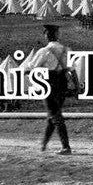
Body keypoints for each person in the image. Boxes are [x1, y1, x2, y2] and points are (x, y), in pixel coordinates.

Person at [34, 23, 72, 154]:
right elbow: (70, 68)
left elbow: (33, 67)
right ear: (57, 35)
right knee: (53, 114)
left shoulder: (44, 51)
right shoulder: (66, 50)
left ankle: (66, 147)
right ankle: (43, 144)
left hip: (49, 83)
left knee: (55, 114)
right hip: (63, 83)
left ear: (47, 36)